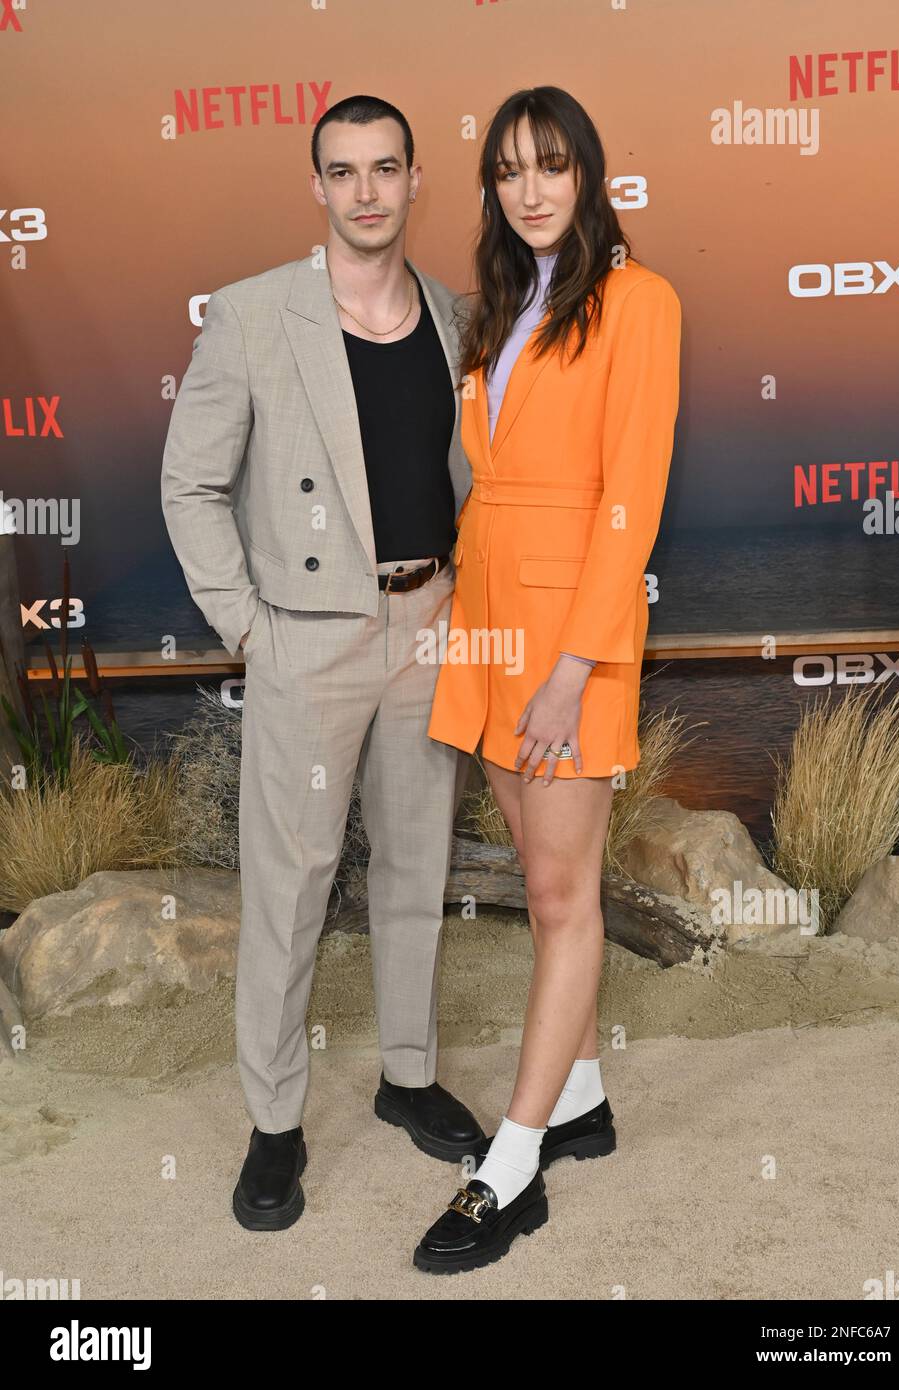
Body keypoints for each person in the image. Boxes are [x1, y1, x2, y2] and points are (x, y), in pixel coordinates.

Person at [161, 95, 484, 1234]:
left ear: (411, 181)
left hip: (427, 621)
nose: (364, 191)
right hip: (307, 634)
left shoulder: (453, 315)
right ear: (317, 187)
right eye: (341, 171)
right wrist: (249, 627)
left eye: (384, 169)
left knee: (411, 865)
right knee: (291, 888)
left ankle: (406, 1075)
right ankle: (274, 1121)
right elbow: (189, 483)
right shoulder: (253, 315)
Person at [414, 86, 682, 1273]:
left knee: (565, 897)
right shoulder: (496, 311)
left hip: (569, 632)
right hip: (483, 620)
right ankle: (578, 1094)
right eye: (510, 169)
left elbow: (630, 502)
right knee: (537, 874)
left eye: (552, 165)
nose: (530, 188)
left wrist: (575, 667)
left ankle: (512, 1166)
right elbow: (486, 482)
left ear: (588, 175)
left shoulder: (638, 300)